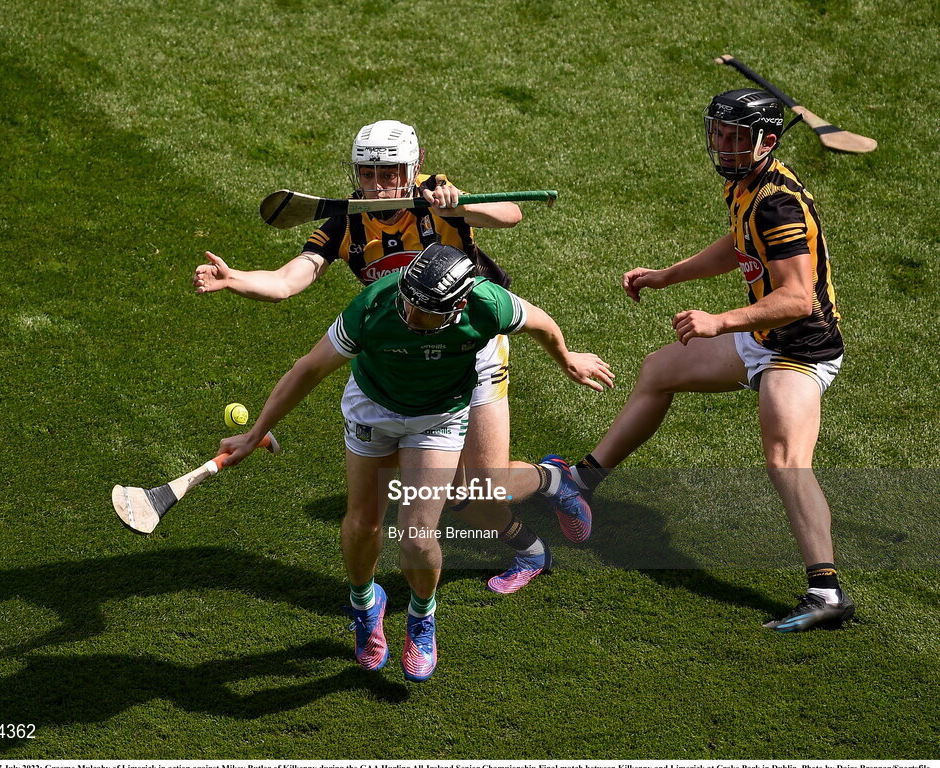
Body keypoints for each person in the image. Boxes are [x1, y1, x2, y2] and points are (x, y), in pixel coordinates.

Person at [195, 120, 594, 594]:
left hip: (472, 344)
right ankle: (529, 548)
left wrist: (460, 204)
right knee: (454, 495)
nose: (378, 184)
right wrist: (235, 278)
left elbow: (510, 216)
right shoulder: (345, 223)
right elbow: (286, 281)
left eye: (390, 173)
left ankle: (553, 481)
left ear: (414, 167)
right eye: (368, 173)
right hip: (403, 349)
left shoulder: (436, 196)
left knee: (484, 484)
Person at [217, 245, 613, 681]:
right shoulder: (374, 307)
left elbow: (540, 322)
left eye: (424, 312)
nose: (409, 315)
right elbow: (308, 369)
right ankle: (366, 603)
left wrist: (567, 358)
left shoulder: (487, 304)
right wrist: (255, 434)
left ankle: (422, 618)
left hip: (438, 418)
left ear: (458, 304)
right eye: (407, 301)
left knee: (418, 538)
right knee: (363, 523)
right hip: (373, 412)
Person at [545, 89, 854, 632]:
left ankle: (826, 592)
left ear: (768, 142)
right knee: (659, 370)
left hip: (798, 350)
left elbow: (797, 298)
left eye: (736, 137)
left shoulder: (777, 202)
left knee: (786, 462)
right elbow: (737, 244)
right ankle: (583, 480)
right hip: (764, 336)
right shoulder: (749, 188)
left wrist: (720, 320)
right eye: (719, 133)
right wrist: (669, 275)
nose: (723, 145)